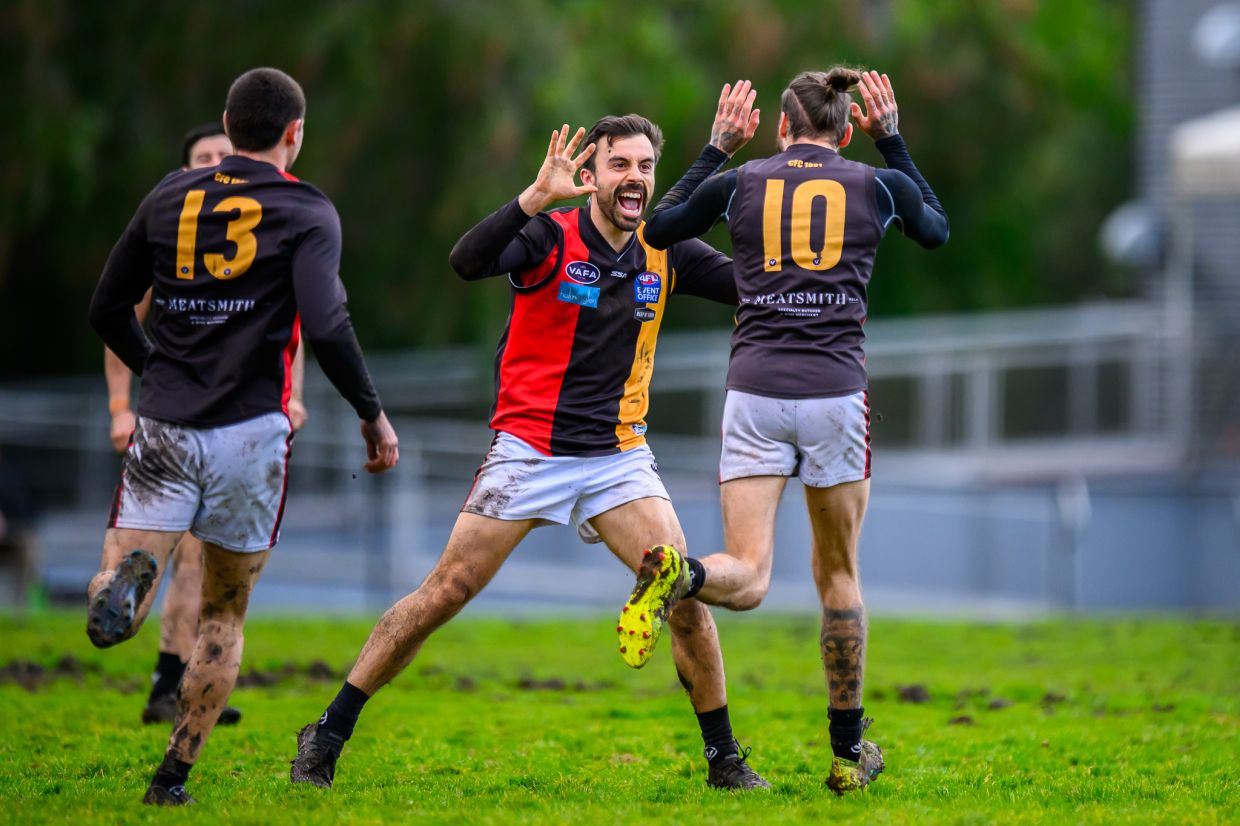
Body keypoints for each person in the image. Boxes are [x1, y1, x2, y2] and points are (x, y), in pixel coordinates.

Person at [290, 83, 771, 792]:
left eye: (645, 166)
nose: (633, 177)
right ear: (591, 174)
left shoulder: (667, 250)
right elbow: (466, 261)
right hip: (530, 450)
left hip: (617, 459)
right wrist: (532, 199)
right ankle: (327, 734)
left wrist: (785, 240)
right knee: (445, 592)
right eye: (619, 164)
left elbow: (755, 289)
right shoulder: (549, 235)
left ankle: (724, 761)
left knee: (683, 597)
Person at [628, 68, 950, 794]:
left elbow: (656, 229)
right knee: (838, 574)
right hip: (835, 395)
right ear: (847, 129)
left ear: (780, 126)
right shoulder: (876, 184)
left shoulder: (739, 183)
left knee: (747, 574)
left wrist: (716, 148)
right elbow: (936, 230)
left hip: (754, 394)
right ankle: (846, 753)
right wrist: (893, 141)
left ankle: (684, 574)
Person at [87, 66, 399, 805]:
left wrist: (157, 368)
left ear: (227, 129)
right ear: (296, 133)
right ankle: (171, 779)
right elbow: (327, 325)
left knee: (127, 569)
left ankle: (124, 584)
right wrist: (371, 412)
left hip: (165, 424)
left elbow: (106, 308)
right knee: (223, 614)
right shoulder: (307, 208)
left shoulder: (170, 195)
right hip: (252, 435)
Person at [103, 122, 310, 728]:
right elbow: (118, 315)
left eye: (225, 153)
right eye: (204, 157)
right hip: (178, 420)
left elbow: (296, 328)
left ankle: (171, 680)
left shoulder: (267, 230)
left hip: (238, 420)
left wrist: (293, 396)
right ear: (186, 169)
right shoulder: (174, 229)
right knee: (168, 562)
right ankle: (164, 669)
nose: (219, 163)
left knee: (194, 563)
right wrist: (122, 404)